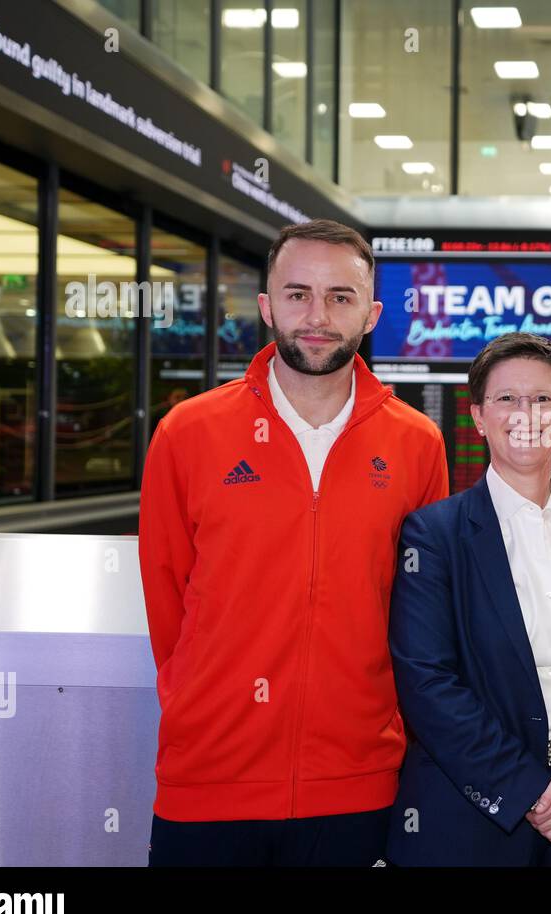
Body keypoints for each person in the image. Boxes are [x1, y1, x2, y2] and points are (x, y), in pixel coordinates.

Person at [138, 219, 448, 866]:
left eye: (341, 297)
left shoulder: (417, 444)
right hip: (208, 784)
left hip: (357, 786)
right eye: (297, 293)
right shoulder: (187, 434)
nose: (317, 315)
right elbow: (167, 602)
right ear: (265, 306)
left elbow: (423, 614)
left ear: (371, 315)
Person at [386, 333, 551, 866]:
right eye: (506, 398)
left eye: (543, 398)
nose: (526, 412)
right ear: (479, 417)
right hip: (473, 820)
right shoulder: (433, 535)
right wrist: (526, 789)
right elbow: (427, 681)